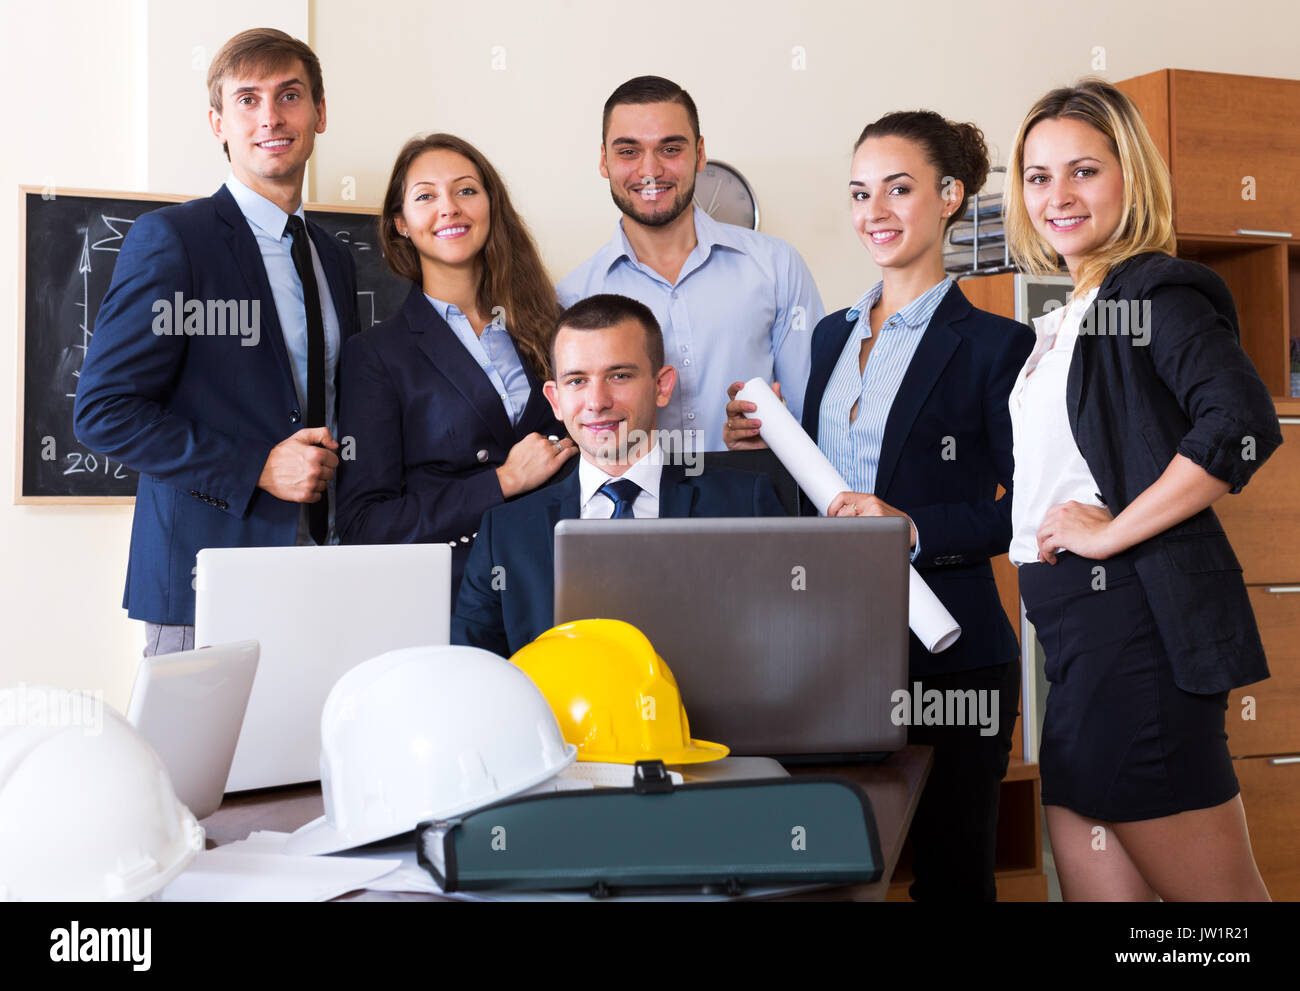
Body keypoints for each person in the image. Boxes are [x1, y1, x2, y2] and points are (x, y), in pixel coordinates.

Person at [725, 111, 1034, 901]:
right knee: (828, 872)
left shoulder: (998, 347)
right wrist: (766, 439)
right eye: (862, 193)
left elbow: (1024, 506)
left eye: (899, 189)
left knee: (952, 877)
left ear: (950, 196)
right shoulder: (828, 336)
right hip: (830, 653)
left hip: (950, 655)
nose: (876, 212)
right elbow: (823, 488)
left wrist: (914, 528)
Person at [1003, 78, 1279, 901]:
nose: (1058, 195)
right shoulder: (1064, 317)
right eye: (1038, 175)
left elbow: (1240, 420)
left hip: (1135, 629)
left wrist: (1111, 532)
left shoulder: (1151, 289)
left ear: (1132, 177)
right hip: (1072, 637)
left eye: (1084, 170)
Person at [74, 28, 359, 657]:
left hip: (322, 573)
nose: (271, 117)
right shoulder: (175, 240)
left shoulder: (334, 259)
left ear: (319, 113)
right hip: (210, 577)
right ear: (218, 122)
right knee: (195, 761)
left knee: (309, 758)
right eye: (247, 100)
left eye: (289, 95)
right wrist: (256, 465)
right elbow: (102, 412)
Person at [453, 293, 786, 657]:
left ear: (662, 386)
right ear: (555, 400)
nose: (597, 401)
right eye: (577, 381)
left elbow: (786, 651)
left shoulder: (744, 505)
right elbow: (474, 675)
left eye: (619, 375)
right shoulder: (505, 535)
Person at [336, 134, 575, 598]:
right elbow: (364, 524)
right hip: (456, 600)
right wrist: (503, 481)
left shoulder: (555, 326)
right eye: (426, 196)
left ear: (491, 204)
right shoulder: (377, 356)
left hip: (563, 585)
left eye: (466, 190)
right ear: (400, 223)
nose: (449, 208)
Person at [558, 75, 824, 451]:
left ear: (699, 154)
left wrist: (773, 435)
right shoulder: (573, 298)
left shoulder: (777, 267)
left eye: (670, 149)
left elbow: (813, 418)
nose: (650, 170)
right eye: (628, 151)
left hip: (757, 504)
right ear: (604, 160)